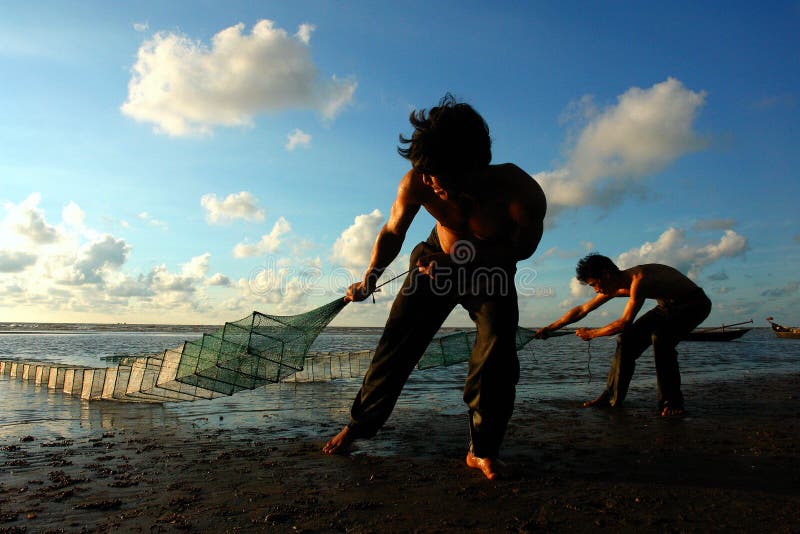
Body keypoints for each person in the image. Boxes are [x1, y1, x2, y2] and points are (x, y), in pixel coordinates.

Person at [322, 94, 547, 480]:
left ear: (475, 167)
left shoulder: (518, 192)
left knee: (497, 351)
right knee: (395, 345)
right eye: (424, 174)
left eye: (439, 178)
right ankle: (359, 426)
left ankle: (482, 449)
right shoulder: (419, 180)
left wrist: (463, 260)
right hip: (432, 261)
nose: (429, 183)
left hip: (490, 270)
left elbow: (522, 249)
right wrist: (370, 278)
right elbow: (393, 231)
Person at [537, 254, 711, 417]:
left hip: (695, 304)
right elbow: (583, 309)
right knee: (626, 340)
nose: (596, 290)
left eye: (594, 284)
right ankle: (612, 397)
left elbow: (624, 322)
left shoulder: (639, 281)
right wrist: (550, 328)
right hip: (666, 306)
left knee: (662, 339)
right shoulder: (615, 285)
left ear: (606, 275)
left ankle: (672, 403)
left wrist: (593, 333)